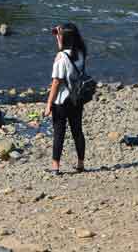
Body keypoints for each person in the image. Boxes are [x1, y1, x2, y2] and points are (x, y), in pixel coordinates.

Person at [43, 23, 87, 175]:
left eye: (59, 34)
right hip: (77, 98)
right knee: (77, 131)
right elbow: (70, 58)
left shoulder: (61, 58)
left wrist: (48, 104)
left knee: (59, 133)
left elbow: (56, 82)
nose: (57, 35)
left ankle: (55, 167)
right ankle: (81, 164)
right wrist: (60, 41)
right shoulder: (81, 53)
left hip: (62, 100)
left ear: (65, 38)